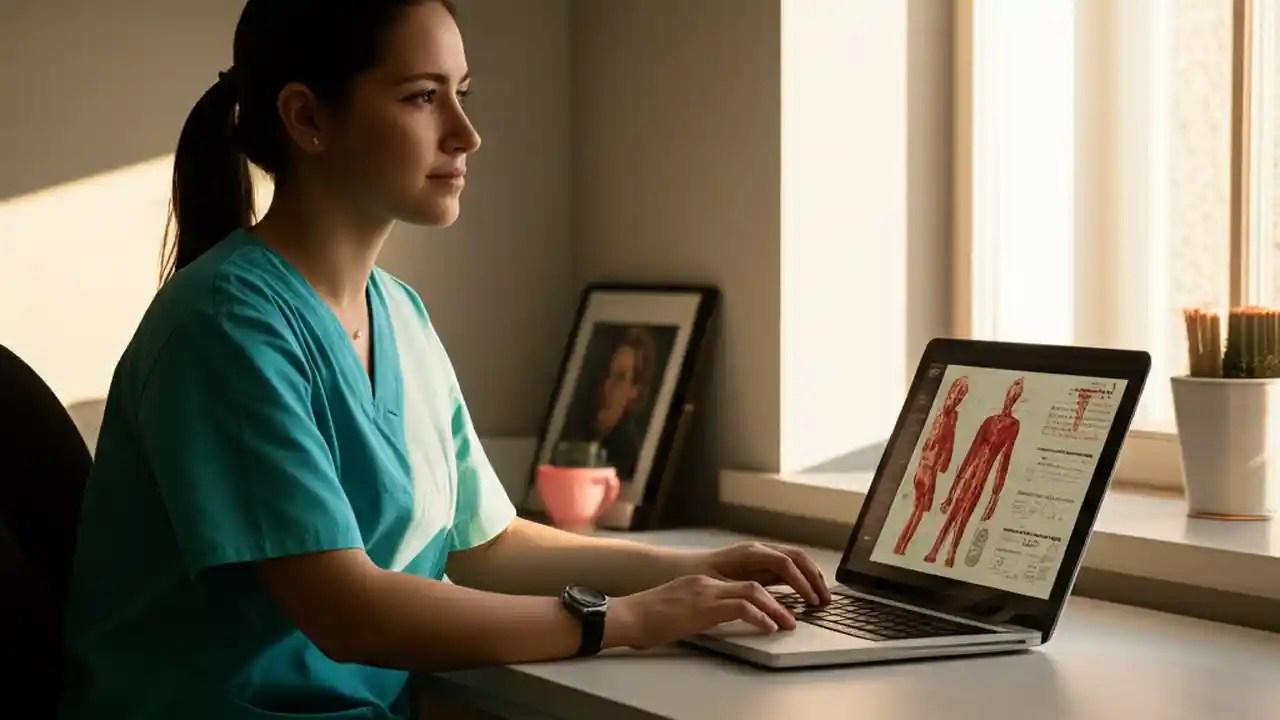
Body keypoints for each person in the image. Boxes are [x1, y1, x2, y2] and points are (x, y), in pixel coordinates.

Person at [57, 2, 831, 719]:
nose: (466, 133)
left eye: (462, 92)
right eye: (423, 97)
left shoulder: (400, 313)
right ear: (307, 118)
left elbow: (487, 542)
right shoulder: (225, 327)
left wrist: (684, 572)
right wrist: (624, 620)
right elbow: (350, 612)